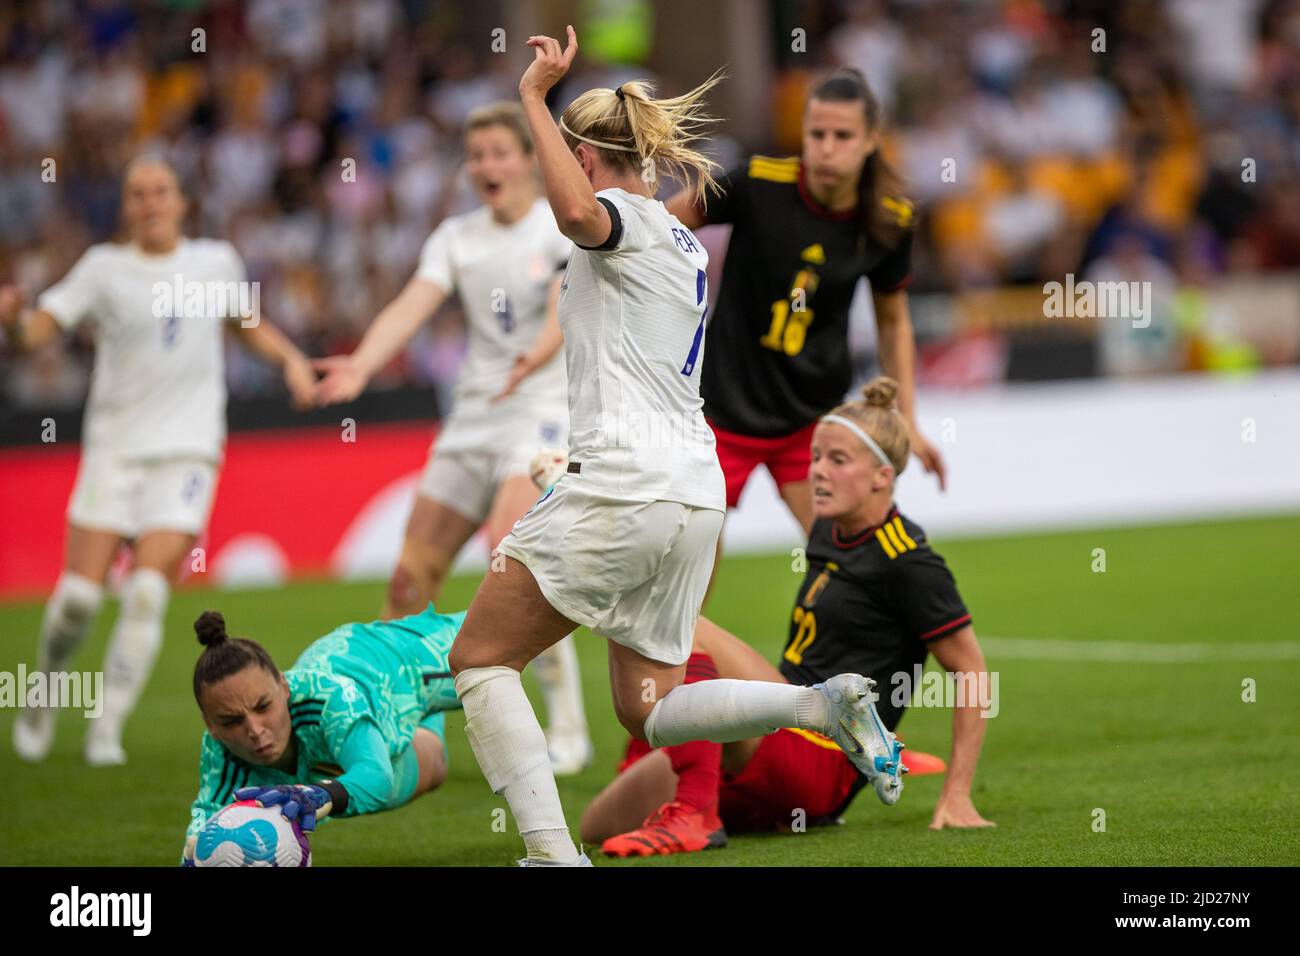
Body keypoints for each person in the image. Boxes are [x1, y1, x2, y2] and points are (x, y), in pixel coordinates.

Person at [447, 27, 905, 868]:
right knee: (649, 709)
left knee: (478, 659)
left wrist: (531, 101)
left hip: (625, 484)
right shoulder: (685, 241)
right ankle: (814, 709)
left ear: (585, 156)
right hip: (692, 491)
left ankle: (552, 856)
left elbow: (580, 213)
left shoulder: (614, 216)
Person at [582, 378, 994, 857]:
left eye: (837, 460)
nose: (818, 471)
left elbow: (973, 672)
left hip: (822, 754)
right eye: (816, 456)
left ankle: (697, 813)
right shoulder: (829, 531)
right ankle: (716, 798)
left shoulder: (907, 561)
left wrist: (958, 794)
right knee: (596, 825)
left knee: (682, 623)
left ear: (882, 476)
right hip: (781, 734)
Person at [4, 157, 316, 767]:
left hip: (188, 450)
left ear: (181, 202)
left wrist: (291, 360)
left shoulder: (214, 261)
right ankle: (43, 695)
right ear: (126, 206)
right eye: (138, 193)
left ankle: (105, 726)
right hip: (114, 451)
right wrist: (14, 319)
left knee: (147, 591)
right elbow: (40, 331)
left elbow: (247, 324)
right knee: (75, 600)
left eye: (161, 191)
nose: (150, 202)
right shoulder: (103, 268)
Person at [314, 102, 592, 774]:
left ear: (529, 159)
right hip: (471, 419)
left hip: (539, 412)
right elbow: (413, 304)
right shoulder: (455, 237)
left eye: (501, 152)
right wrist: (361, 360)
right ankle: (396, 723)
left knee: (513, 558)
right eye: (477, 156)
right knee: (409, 583)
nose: (488, 166)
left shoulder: (556, 227)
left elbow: (571, 296)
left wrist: (538, 352)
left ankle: (569, 726)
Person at [664, 67, 945, 576]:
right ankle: (687, 658)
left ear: (870, 142)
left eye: (842, 136)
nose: (826, 147)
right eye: (817, 134)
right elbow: (662, 223)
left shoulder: (889, 221)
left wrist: (910, 418)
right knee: (688, 566)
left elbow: (893, 324)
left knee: (847, 564)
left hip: (810, 421)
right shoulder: (758, 182)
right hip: (721, 412)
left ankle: (846, 658)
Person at [181, 607, 458, 865]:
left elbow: (376, 776)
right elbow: (205, 818)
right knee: (435, 765)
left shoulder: (328, 700)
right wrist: (194, 852)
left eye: (263, 706)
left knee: (492, 660)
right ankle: (419, 715)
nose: (254, 730)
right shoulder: (220, 749)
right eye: (232, 721)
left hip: (397, 661)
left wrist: (319, 795)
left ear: (283, 686)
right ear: (211, 726)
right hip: (376, 714)